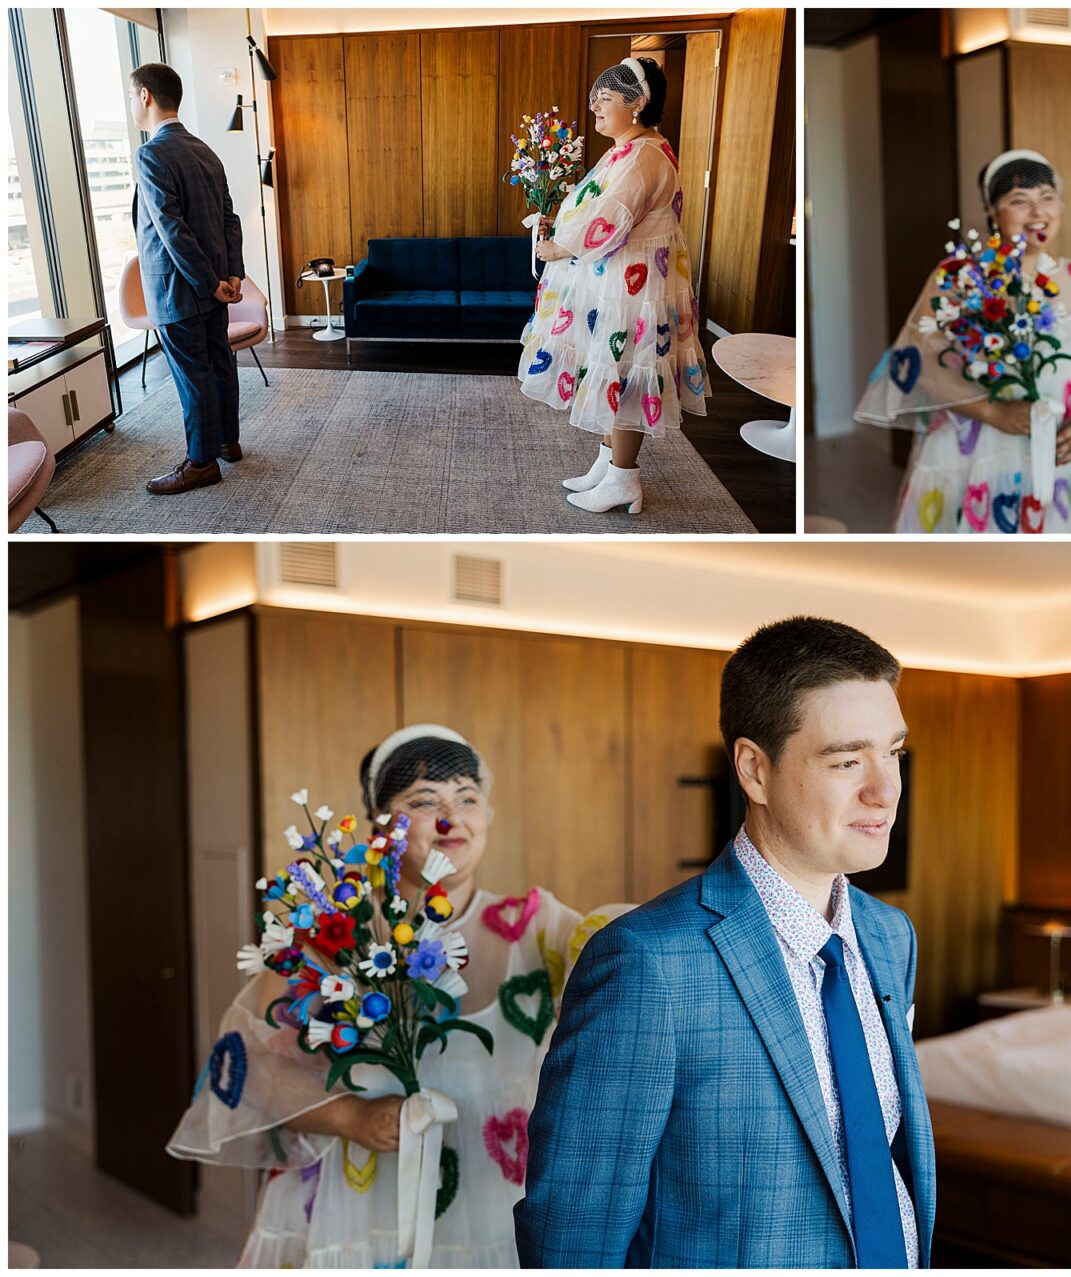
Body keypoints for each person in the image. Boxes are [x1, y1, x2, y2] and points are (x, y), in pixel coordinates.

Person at [516, 618, 935, 1267]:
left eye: (894, 752)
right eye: (848, 759)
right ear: (754, 770)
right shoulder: (646, 964)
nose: (886, 790)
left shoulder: (891, 937)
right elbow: (573, 1236)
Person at [168, 726, 626, 1267]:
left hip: (496, 1199)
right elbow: (251, 1065)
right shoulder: (331, 935)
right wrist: (352, 1118)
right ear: (381, 826)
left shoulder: (537, 926)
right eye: (424, 801)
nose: (450, 817)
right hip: (355, 1203)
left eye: (468, 798)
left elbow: (626, 956)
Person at [854, 150, 1071, 533]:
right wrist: (993, 413)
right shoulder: (958, 277)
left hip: (1068, 458)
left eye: (1047, 198)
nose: (1038, 212)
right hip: (976, 458)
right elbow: (916, 359)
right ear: (992, 210)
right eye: (1020, 200)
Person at [517, 57, 709, 517]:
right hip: (620, 284)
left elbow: (610, 220)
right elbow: (600, 207)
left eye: (605, 100)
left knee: (624, 374)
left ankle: (624, 479)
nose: (596, 109)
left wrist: (558, 248)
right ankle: (609, 465)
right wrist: (559, 223)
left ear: (637, 104)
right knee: (611, 371)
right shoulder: (631, 147)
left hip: (632, 291)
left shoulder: (642, 154)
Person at [126, 63, 246, 496]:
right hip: (214, 283)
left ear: (145, 97)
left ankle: (200, 463)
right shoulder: (205, 150)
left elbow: (170, 229)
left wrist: (207, 283)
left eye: (131, 96)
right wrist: (231, 274)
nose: (132, 105)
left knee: (193, 373)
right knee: (219, 363)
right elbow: (229, 218)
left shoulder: (151, 153)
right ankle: (226, 442)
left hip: (180, 289)